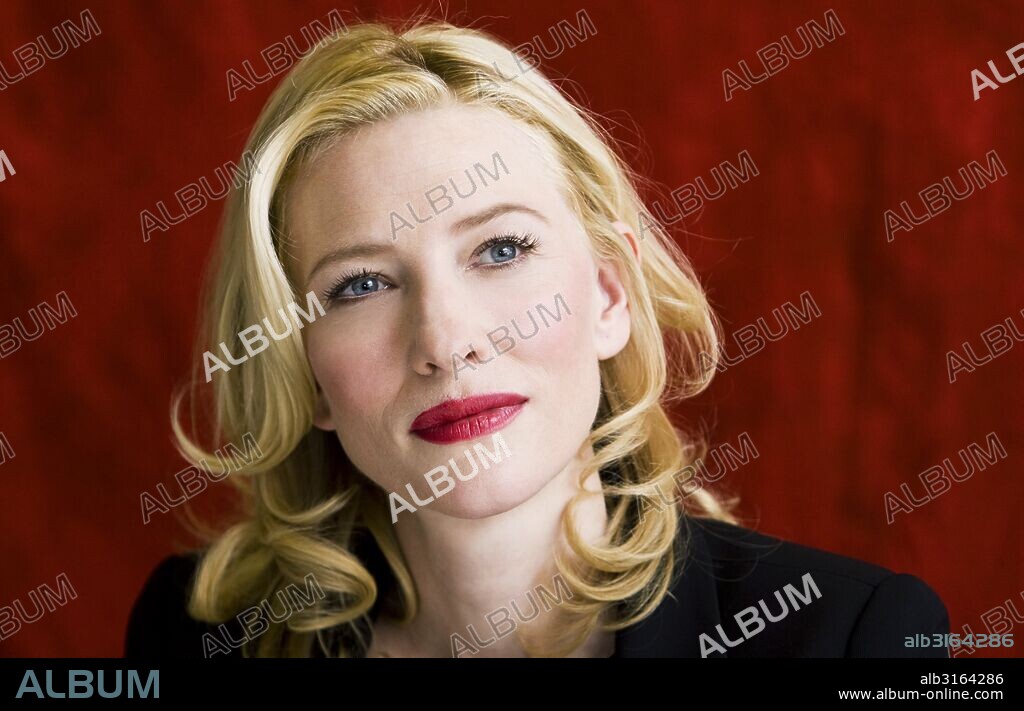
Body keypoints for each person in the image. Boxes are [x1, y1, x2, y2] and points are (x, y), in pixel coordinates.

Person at [124, 17, 949, 658]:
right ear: (302, 368)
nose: (446, 341)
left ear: (609, 295)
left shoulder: (858, 638)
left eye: (501, 249)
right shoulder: (197, 632)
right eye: (361, 285)